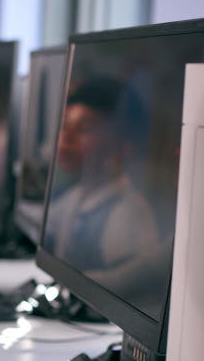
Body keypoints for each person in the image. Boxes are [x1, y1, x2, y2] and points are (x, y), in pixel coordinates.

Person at [42, 76, 160, 273]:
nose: (66, 138)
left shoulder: (125, 214)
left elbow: (133, 289)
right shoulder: (75, 196)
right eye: (64, 126)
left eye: (83, 128)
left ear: (121, 148)